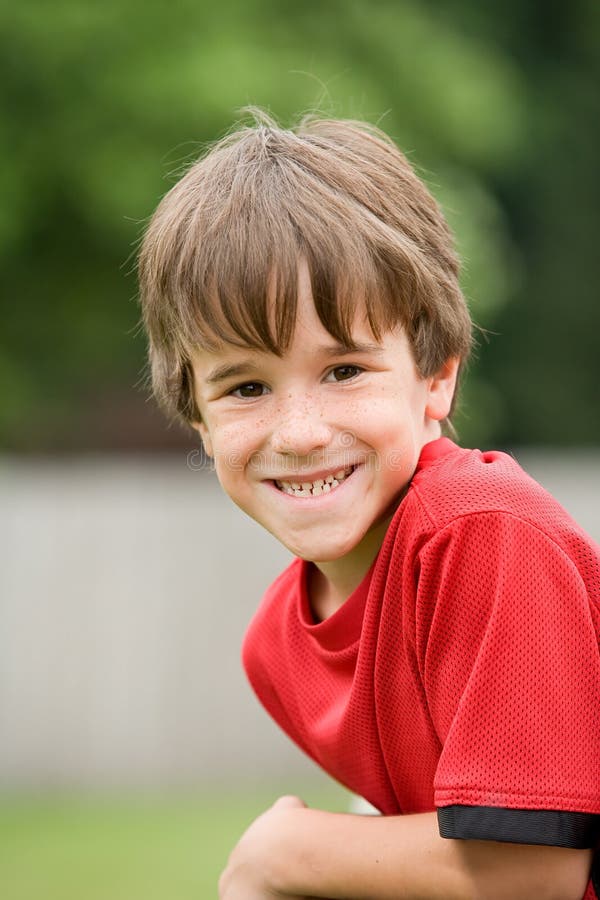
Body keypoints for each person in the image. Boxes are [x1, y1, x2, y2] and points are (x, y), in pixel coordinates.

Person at [138, 110, 600, 899]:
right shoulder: (276, 649)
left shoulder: (483, 533)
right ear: (200, 424)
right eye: (246, 387)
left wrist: (283, 854)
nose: (301, 432)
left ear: (437, 376)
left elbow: (533, 874)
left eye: (345, 371)